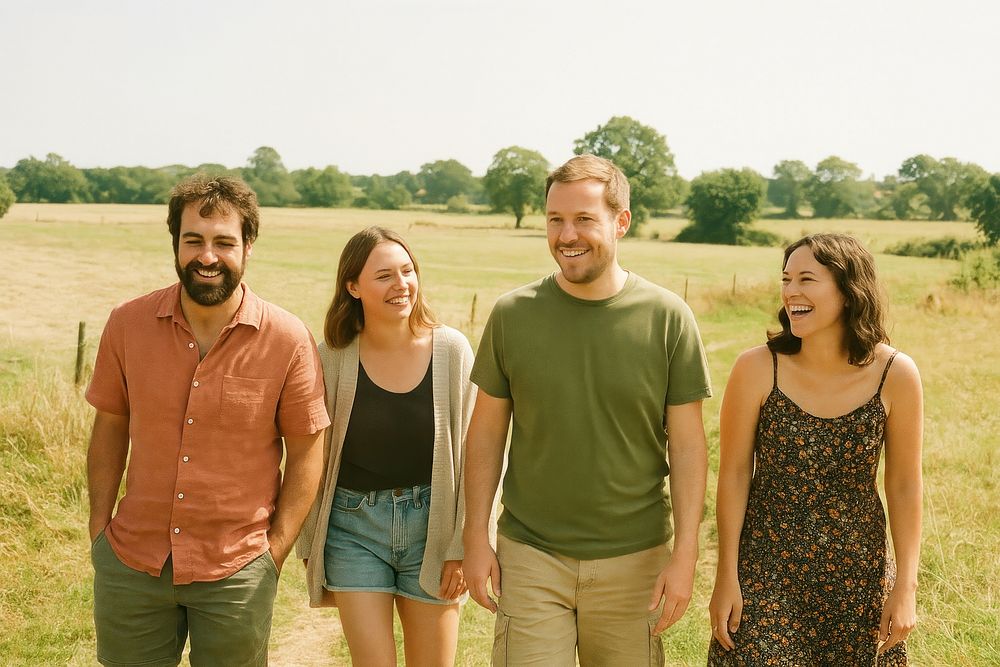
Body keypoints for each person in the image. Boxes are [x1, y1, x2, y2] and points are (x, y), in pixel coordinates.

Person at [462, 154, 713, 666]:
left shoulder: (668, 318)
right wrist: (475, 537)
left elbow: (688, 446)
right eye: (555, 220)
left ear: (621, 222)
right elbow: (485, 435)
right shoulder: (513, 314)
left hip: (634, 561)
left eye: (583, 219)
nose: (566, 234)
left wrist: (684, 554)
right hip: (531, 555)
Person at [85, 174, 330, 666]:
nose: (208, 256)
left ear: (248, 246)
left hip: (237, 567)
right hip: (133, 561)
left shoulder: (287, 338)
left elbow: (307, 450)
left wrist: (273, 552)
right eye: (193, 240)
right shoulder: (126, 324)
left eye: (224, 242)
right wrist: (99, 529)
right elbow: (109, 427)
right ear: (175, 242)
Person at [708, 233, 923, 665]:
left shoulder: (896, 373)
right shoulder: (756, 367)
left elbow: (902, 484)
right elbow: (733, 474)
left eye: (807, 279)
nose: (791, 292)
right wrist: (725, 574)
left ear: (848, 290)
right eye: (786, 280)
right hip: (765, 569)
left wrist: (904, 587)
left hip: (857, 574)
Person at [296, 226, 476, 666]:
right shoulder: (331, 357)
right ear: (353, 286)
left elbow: (477, 454)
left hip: (431, 528)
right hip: (353, 530)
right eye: (384, 276)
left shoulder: (451, 350)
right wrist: (309, 541)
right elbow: (308, 455)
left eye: (407, 271)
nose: (401, 285)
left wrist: (462, 546)